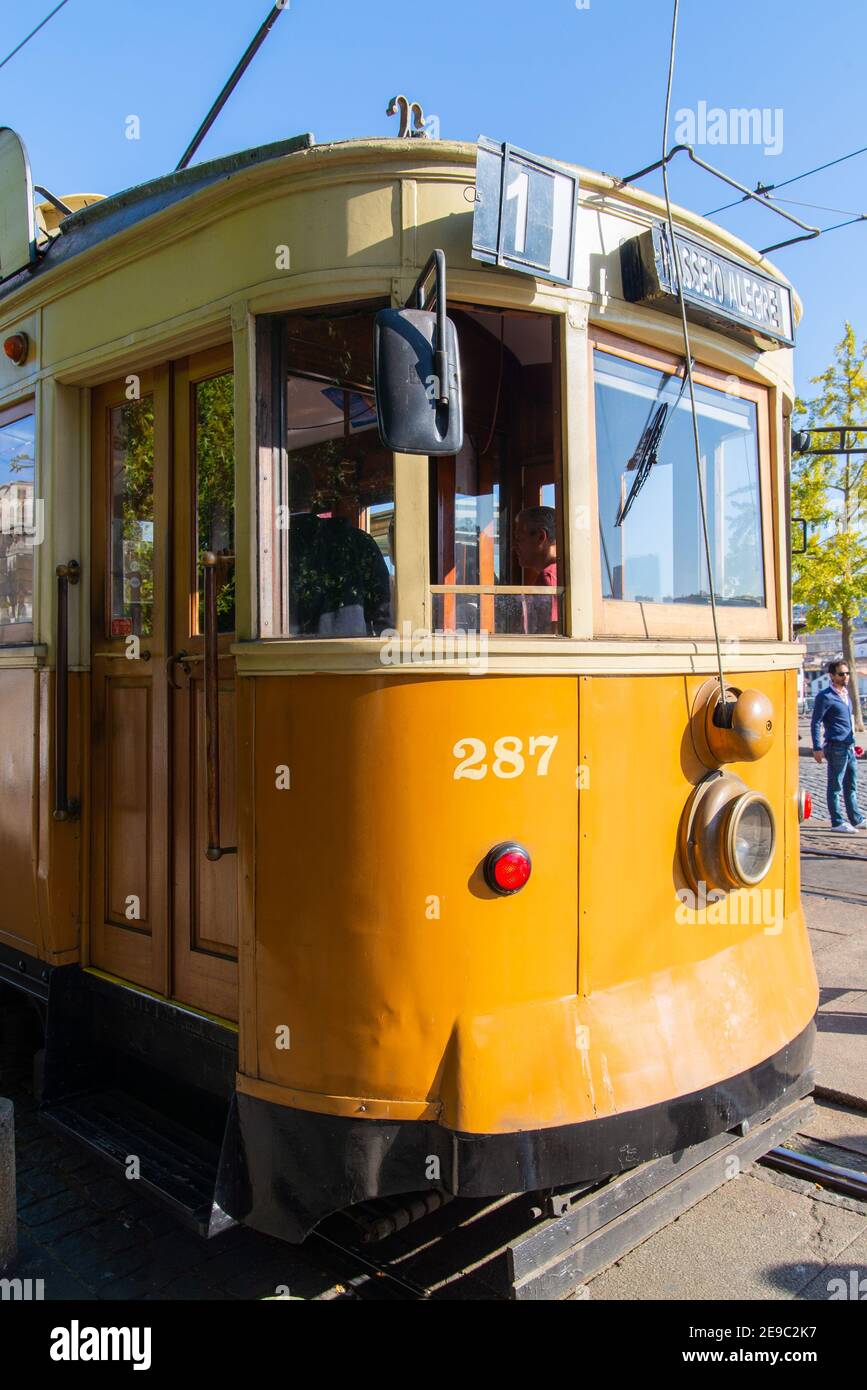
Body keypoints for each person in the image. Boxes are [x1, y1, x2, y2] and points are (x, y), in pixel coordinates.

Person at [811, 659, 866, 833]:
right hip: (835, 746)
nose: (846, 677)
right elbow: (815, 722)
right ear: (832, 676)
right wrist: (817, 747)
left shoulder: (845, 695)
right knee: (835, 786)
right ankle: (837, 822)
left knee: (851, 785)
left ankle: (856, 819)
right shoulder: (825, 696)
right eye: (841, 674)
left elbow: (846, 721)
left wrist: (855, 742)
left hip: (848, 746)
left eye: (847, 673)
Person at [514, 505, 558, 634]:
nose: (514, 547)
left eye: (519, 539)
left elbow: (546, 634)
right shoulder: (559, 573)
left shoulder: (548, 577)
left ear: (540, 537)